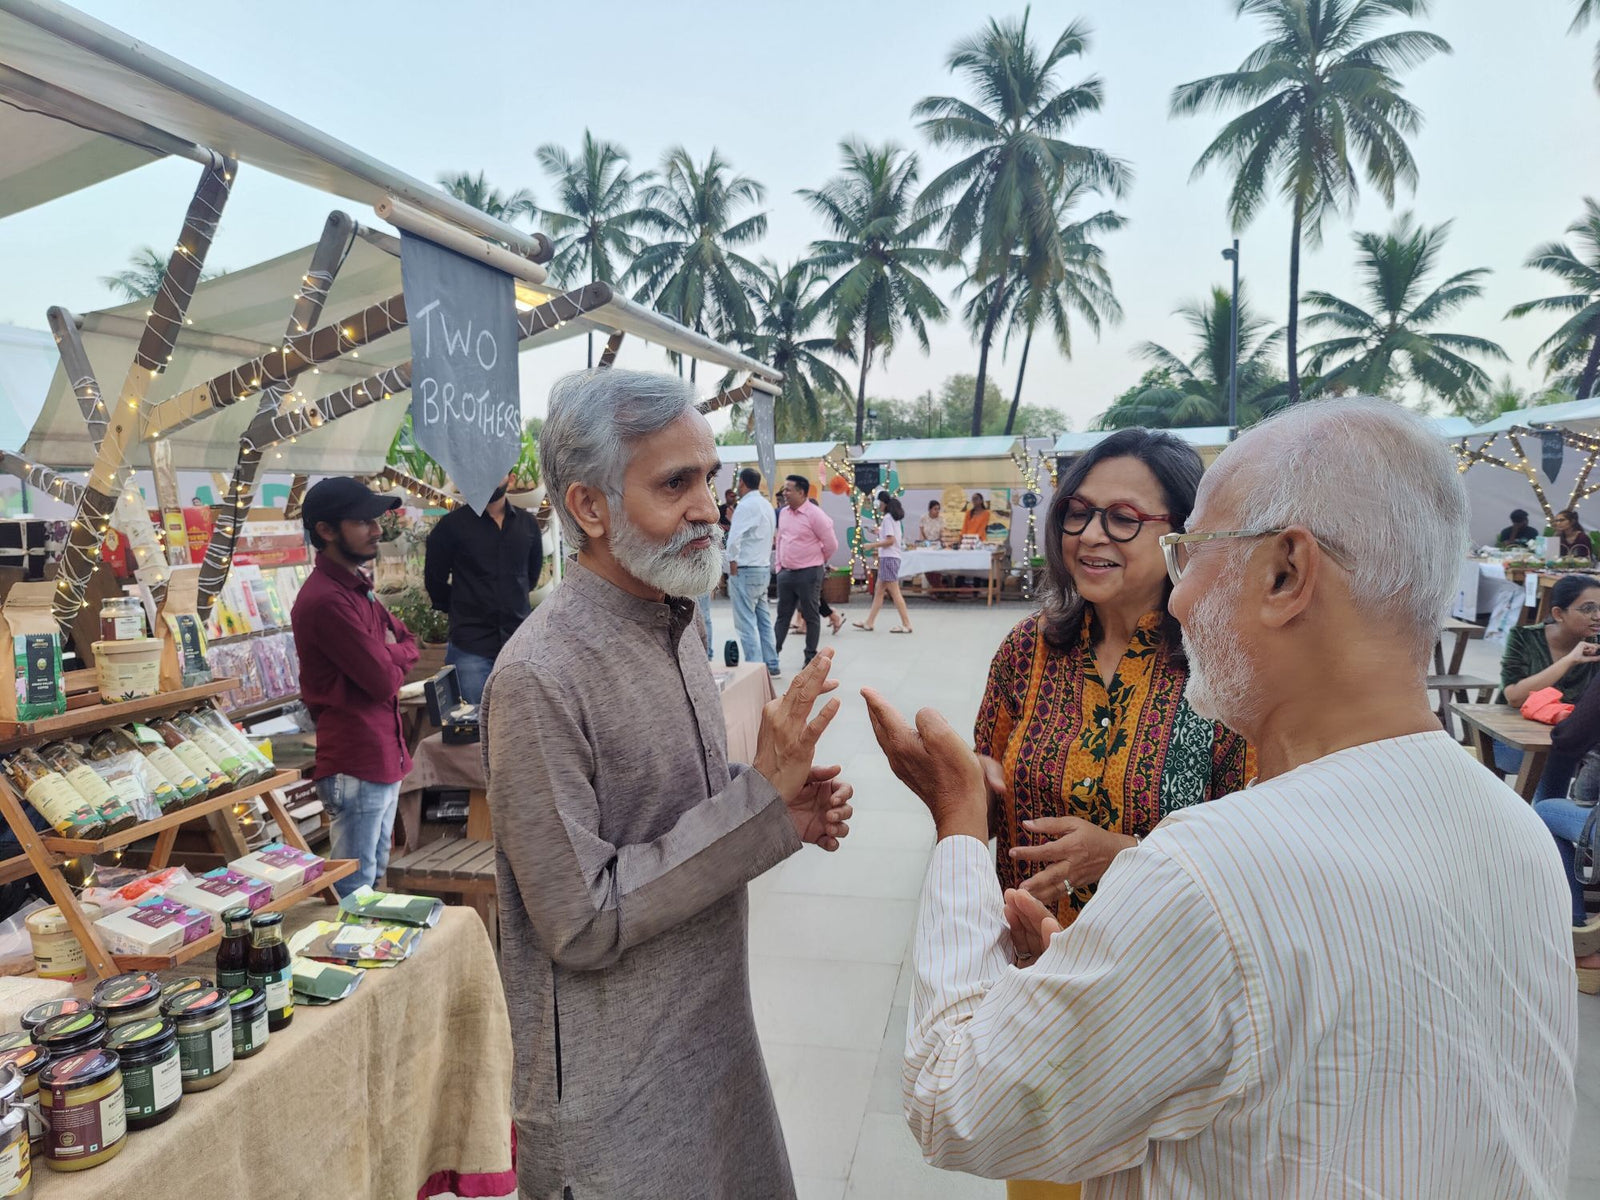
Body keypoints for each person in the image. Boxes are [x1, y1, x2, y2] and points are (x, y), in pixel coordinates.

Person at [863, 396, 1576, 1197]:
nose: (1177, 598)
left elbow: (954, 1102)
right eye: (1080, 515)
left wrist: (959, 820)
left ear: (1286, 573)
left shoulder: (1207, 877)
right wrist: (1101, 975)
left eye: (1189, 551)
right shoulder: (1516, 833)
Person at [482, 369, 853, 1200]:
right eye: (675, 484)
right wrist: (755, 805)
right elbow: (581, 920)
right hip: (615, 1093)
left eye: (710, 478)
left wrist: (775, 808)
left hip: (713, 1042)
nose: (708, 508)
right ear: (589, 507)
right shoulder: (539, 676)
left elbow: (670, 807)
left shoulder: (675, 617)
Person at [979, 429, 1252, 945]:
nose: (1089, 535)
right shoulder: (1028, 648)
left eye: (1123, 518)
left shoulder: (1226, 668)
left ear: (1183, 533)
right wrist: (960, 782)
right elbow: (987, 795)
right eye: (1078, 512)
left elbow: (1254, 849)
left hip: (1159, 968)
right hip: (1024, 959)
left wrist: (1124, 854)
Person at [291, 477, 419, 897]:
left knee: (373, 877)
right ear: (326, 530)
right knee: (355, 889)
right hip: (356, 757)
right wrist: (390, 657)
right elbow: (382, 679)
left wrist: (388, 653)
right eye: (363, 521)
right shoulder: (326, 600)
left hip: (378, 753)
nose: (377, 529)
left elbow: (408, 641)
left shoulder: (356, 588)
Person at [422, 470, 543, 704]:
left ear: (511, 478)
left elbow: (530, 577)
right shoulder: (450, 527)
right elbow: (434, 581)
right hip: (470, 645)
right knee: (473, 721)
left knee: (522, 717)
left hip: (519, 642)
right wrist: (463, 606)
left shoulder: (527, 524)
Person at [774, 475, 839, 665]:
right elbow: (780, 540)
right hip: (786, 573)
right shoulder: (783, 513)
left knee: (811, 615)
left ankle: (810, 656)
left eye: (788, 489)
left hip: (809, 572)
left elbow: (831, 544)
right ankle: (772, 656)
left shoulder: (815, 514)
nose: (785, 493)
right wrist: (779, 567)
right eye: (784, 489)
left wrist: (818, 560)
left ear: (801, 492)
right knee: (783, 616)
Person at [725, 466, 780, 675]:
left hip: (746, 568)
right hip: (762, 568)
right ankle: (772, 663)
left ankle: (755, 668)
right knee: (763, 620)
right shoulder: (767, 505)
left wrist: (732, 561)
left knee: (746, 623)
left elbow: (734, 537)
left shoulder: (745, 506)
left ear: (742, 482)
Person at [853, 491, 913, 634]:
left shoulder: (887, 518)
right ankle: (869, 622)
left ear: (883, 503)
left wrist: (871, 545)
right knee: (879, 591)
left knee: (894, 592)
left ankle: (907, 624)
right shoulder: (893, 518)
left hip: (888, 558)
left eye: (879, 502)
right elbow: (891, 537)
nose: (878, 505)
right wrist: (879, 532)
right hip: (892, 557)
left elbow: (890, 540)